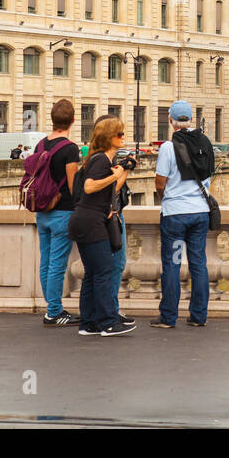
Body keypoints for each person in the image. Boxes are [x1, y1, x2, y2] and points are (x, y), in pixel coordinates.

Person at [67, 116, 134, 336]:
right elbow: (89, 187)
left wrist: (123, 170)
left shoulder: (99, 160)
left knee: (93, 273)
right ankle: (108, 322)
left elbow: (112, 189)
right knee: (104, 271)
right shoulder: (100, 160)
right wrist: (113, 174)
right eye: (119, 134)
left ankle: (88, 323)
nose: (123, 137)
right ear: (108, 137)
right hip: (91, 222)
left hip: (84, 221)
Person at [152, 100, 212, 329]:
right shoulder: (205, 143)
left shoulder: (168, 147)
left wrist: (166, 197)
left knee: (173, 264)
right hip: (199, 213)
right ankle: (199, 316)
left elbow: (160, 182)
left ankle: (168, 317)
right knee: (198, 263)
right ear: (191, 119)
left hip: (176, 216)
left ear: (171, 121)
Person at [38, 99, 81, 326]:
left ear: (52, 119)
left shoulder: (40, 144)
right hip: (62, 211)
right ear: (72, 121)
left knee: (45, 262)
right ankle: (54, 311)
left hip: (42, 210)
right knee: (57, 264)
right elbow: (73, 186)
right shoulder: (70, 148)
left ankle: (51, 306)